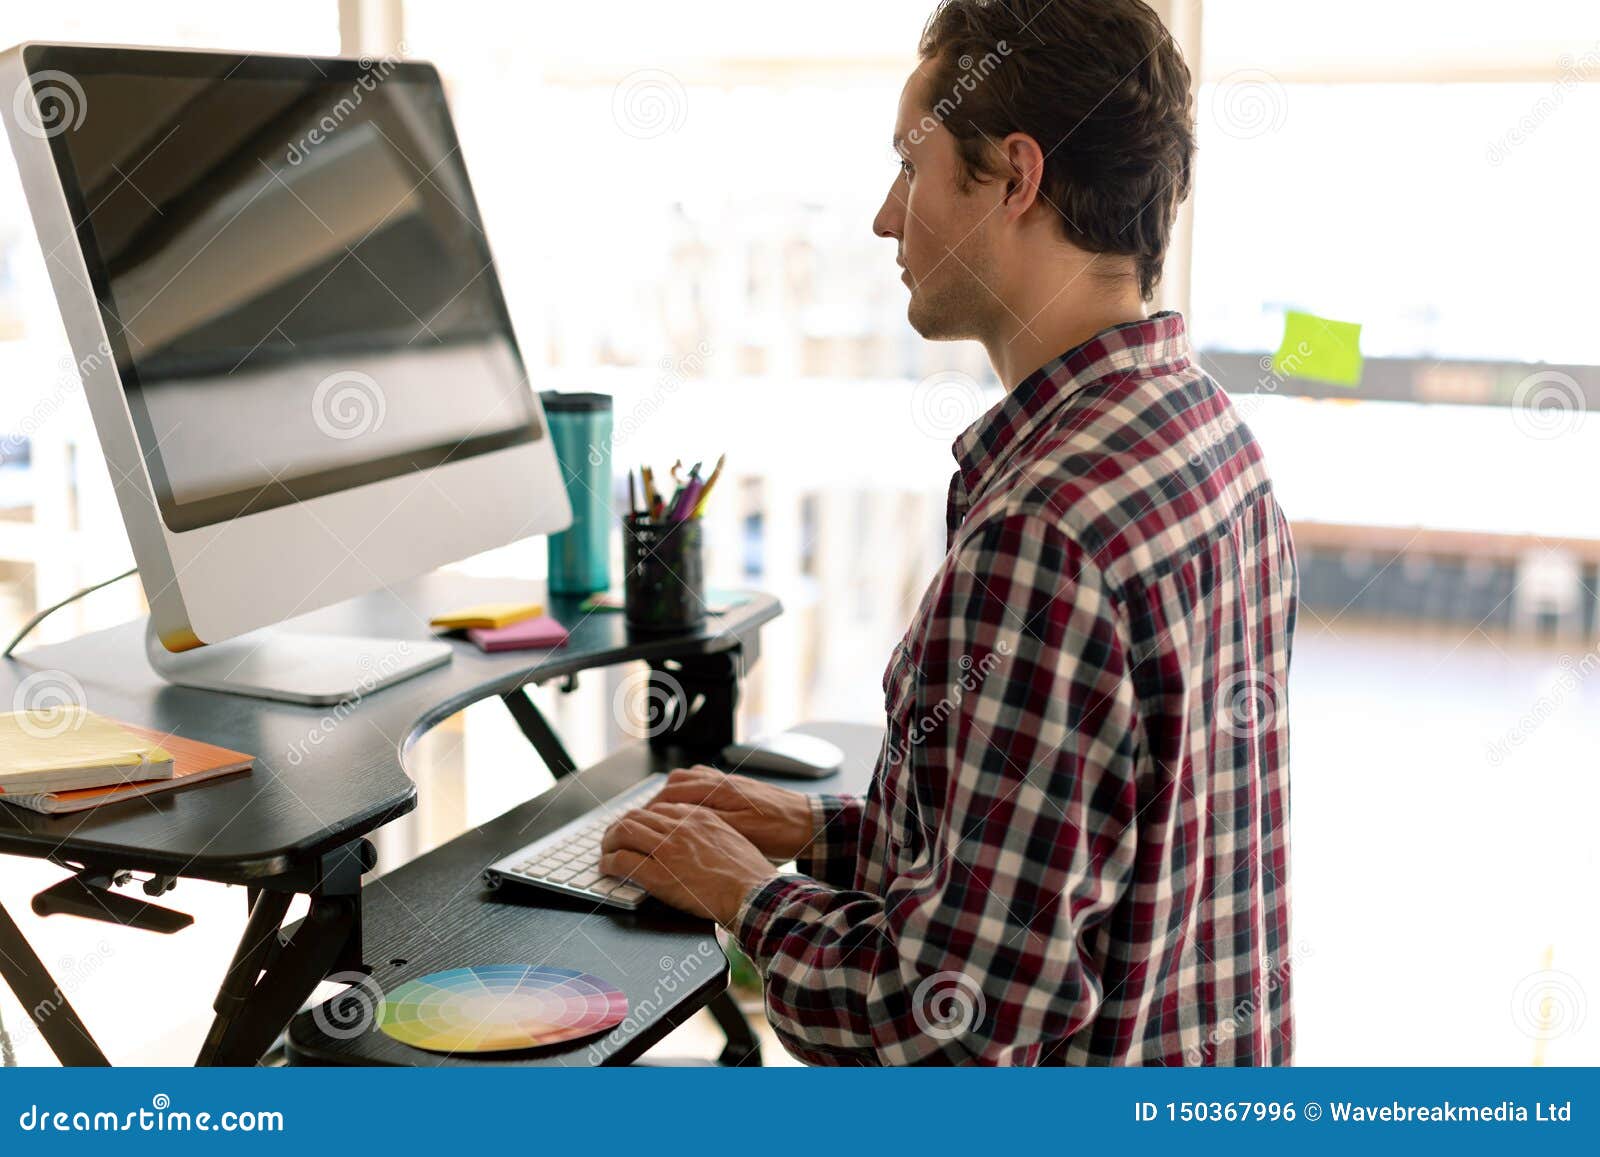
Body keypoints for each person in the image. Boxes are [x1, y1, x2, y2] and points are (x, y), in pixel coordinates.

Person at [601, 0, 1297, 1065]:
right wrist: (818, 830)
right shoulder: (1207, 438)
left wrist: (743, 892)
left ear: (1014, 179)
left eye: (910, 165)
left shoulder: (1046, 533)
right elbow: (1060, 858)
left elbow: (942, 1032)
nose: (887, 216)